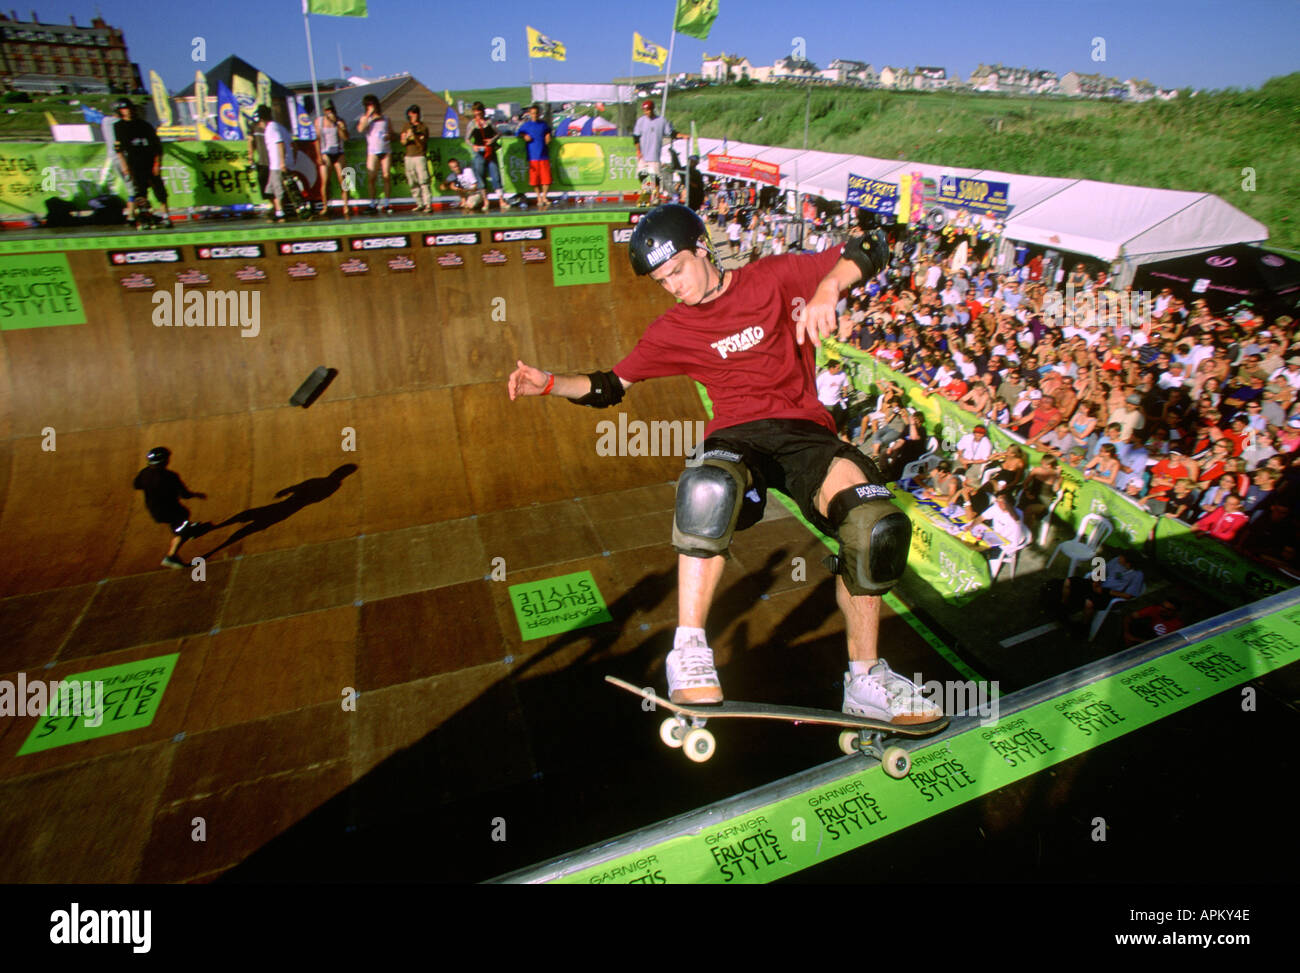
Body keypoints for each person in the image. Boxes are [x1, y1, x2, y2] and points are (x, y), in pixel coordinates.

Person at [507, 204, 943, 726]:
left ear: (702, 248)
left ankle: (866, 680)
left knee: (875, 525)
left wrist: (828, 288)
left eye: (676, 271)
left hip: (806, 434)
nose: (671, 286)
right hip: (739, 437)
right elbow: (608, 387)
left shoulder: (774, 277)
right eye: (661, 280)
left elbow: (871, 246)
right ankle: (688, 650)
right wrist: (550, 383)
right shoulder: (672, 329)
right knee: (707, 488)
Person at [133, 447, 205, 569]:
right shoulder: (170, 476)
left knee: (184, 513)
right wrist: (196, 495)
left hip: (154, 509)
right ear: (164, 461)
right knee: (182, 531)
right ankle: (171, 556)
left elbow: (136, 485)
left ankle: (187, 528)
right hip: (169, 510)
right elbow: (184, 494)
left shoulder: (144, 473)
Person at [113, 99, 170, 228]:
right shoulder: (119, 126)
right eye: (124, 109)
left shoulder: (145, 125)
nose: (128, 111)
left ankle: (166, 215)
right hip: (134, 162)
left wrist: (157, 163)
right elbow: (119, 149)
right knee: (140, 192)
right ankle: (144, 217)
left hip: (149, 160)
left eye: (130, 108)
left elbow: (156, 146)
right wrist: (124, 166)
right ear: (120, 111)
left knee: (159, 190)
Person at [254, 105, 295, 221]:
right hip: (275, 164)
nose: (259, 125)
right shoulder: (279, 127)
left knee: (278, 189)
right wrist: (292, 159)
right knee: (270, 189)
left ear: (263, 120)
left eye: (260, 122)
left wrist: (282, 162)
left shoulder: (271, 128)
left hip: (277, 164)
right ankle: (277, 210)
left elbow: (280, 143)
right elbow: (293, 145)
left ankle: (281, 213)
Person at [315, 101, 351, 217]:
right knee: (325, 180)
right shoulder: (319, 121)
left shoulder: (340, 121)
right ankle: (325, 206)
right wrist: (318, 156)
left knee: (343, 180)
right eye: (327, 110)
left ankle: (345, 205)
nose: (329, 112)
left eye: (331, 109)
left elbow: (346, 138)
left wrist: (338, 125)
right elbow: (317, 139)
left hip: (338, 152)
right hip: (326, 152)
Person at [632, 99, 674, 200]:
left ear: (652, 109)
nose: (646, 112)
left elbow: (670, 132)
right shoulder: (641, 121)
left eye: (648, 110)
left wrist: (681, 135)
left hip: (654, 155)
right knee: (643, 174)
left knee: (655, 175)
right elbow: (636, 137)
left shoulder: (661, 120)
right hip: (643, 155)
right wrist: (638, 150)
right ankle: (647, 192)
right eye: (645, 110)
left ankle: (656, 195)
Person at [356, 94, 392, 213]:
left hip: (385, 150)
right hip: (373, 151)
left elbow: (391, 132)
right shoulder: (365, 118)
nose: (371, 107)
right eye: (368, 105)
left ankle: (386, 203)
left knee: (386, 176)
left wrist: (389, 136)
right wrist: (368, 116)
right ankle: (372, 203)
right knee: (371, 177)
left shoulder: (385, 118)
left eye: (372, 104)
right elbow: (360, 129)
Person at [465, 101, 503, 208]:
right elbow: (467, 138)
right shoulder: (472, 124)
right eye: (476, 114)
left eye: (480, 114)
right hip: (479, 152)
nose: (478, 117)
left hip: (489, 150)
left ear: (483, 112)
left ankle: (501, 199)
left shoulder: (489, 122)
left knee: (495, 175)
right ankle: (486, 201)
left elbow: (499, 133)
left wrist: (492, 140)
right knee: (480, 177)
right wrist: (473, 146)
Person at [517, 103, 552, 210]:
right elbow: (518, 133)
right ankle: (538, 197)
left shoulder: (543, 124)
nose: (535, 115)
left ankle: (544, 196)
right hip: (532, 156)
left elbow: (548, 132)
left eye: (536, 113)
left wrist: (548, 135)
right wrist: (524, 136)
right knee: (534, 180)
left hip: (544, 155)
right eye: (532, 113)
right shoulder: (526, 125)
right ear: (529, 114)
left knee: (546, 179)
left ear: (539, 114)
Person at [399, 105, 432, 213]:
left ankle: (428, 204)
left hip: (419, 156)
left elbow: (421, 145)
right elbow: (403, 142)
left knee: (423, 181)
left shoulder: (423, 127)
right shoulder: (406, 126)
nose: (414, 115)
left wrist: (415, 136)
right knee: (412, 182)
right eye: (412, 113)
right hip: (408, 156)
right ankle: (419, 203)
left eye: (416, 113)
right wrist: (408, 136)